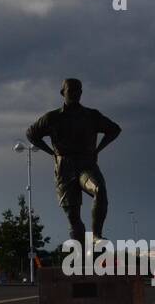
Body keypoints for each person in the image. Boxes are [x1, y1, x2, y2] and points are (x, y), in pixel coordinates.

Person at [25, 78, 121, 243]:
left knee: (99, 189)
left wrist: (97, 149)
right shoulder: (52, 118)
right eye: (71, 91)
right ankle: (81, 250)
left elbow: (114, 130)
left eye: (78, 91)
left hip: (86, 165)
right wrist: (51, 153)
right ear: (63, 93)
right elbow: (31, 134)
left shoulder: (91, 116)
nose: (75, 94)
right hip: (64, 168)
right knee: (73, 217)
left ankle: (97, 235)